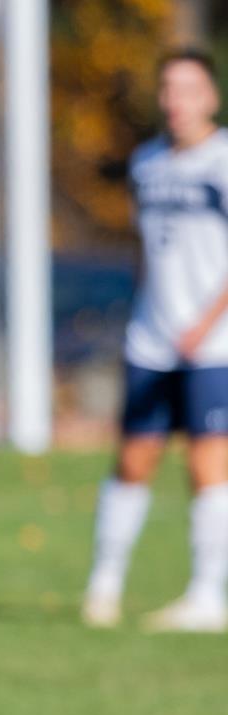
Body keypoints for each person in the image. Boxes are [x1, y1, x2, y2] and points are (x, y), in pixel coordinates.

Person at [83, 49, 228, 633]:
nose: (175, 100)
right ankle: (104, 585)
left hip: (213, 347)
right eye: (168, 88)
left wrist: (205, 322)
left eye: (188, 88)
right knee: (132, 459)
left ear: (211, 97)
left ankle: (206, 595)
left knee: (207, 465)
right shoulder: (146, 162)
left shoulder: (223, 160)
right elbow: (146, 249)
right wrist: (144, 312)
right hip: (151, 339)